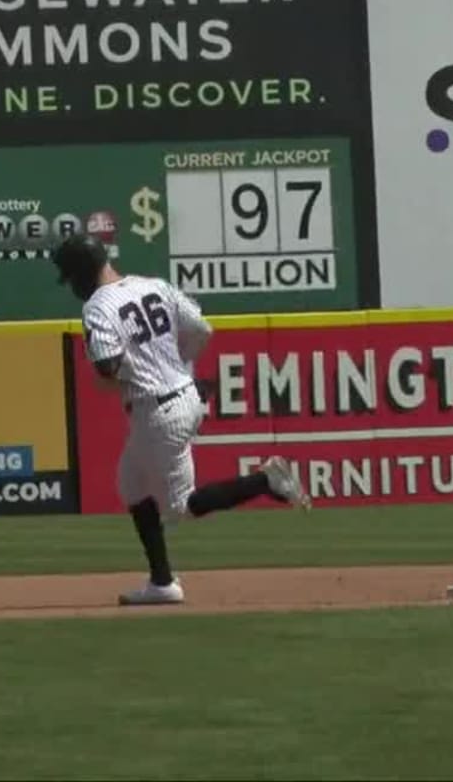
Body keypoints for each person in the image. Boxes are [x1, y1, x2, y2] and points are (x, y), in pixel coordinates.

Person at [51, 233, 311, 606]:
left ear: (79, 273)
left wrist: (124, 374)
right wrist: (178, 367)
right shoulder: (154, 285)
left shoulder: (97, 306)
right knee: (131, 484)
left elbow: (107, 365)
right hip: (179, 396)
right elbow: (202, 329)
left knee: (180, 508)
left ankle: (264, 480)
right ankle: (162, 582)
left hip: (158, 410)